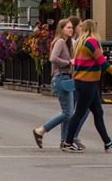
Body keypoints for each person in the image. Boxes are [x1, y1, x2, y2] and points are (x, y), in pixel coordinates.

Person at [62, 19, 112, 153]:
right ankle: (68, 142)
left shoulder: (79, 42)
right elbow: (103, 63)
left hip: (84, 81)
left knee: (98, 112)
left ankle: (107, 142)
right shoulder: (91, 42)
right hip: (87, 82)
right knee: (79, 113)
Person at [33, 17, 77, 149]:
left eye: (71, 27)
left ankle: (64, 140)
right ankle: (41, 130)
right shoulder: (60, 42)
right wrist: (68, 63)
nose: (71, 29)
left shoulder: (65, 43)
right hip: (60, 78)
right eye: (68, 27)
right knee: (67, 112)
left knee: (68, 112)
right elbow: (53, 58)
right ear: (62, 29)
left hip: (66, 78)